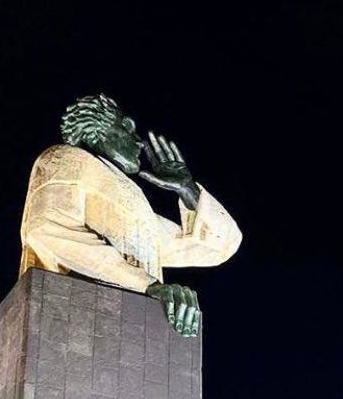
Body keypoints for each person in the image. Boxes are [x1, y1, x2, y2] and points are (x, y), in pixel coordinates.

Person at [19, 94, 242, 337]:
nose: (139, 142)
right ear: (96, 131)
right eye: (126, 127)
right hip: (70, 322)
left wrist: (187, 189)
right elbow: (47, 229)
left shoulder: (132, 199)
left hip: (129, 326)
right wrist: (146, 284)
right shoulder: (64, 157)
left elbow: (218, 247)